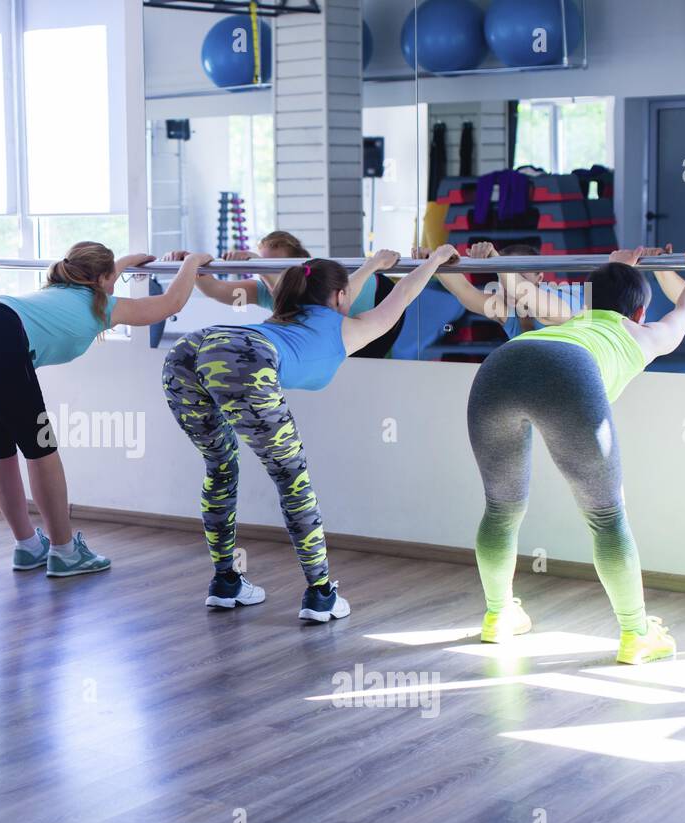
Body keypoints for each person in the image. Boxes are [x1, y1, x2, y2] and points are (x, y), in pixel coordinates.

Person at [161, 246, 458, 621]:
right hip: (245, 354)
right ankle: (320, 595)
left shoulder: (286, 316)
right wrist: (435, 259)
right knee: (291, 480)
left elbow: (335, 293)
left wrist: (369, 266)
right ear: (339, 297)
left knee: (220, 467)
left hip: (189, 350)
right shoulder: (349, 329)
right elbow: (404, 293)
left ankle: (225, 582)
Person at [468, 246, 685, 665]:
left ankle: (498, 615)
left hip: (500, 366)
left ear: (589, 300)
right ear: (639, 313)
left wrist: (619, 268)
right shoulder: (643, 334)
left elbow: (610, 298)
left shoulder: (573, 319)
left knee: (501, 507)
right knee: (606, 518)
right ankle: (636, 634)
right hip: (570, 370)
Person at [0, 242, 212, 577]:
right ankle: (64, 551)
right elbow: (169, 304)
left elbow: (100, 279)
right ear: (102, 278)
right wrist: (193, 262)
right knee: (40, 446)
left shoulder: (59, 292)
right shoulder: (105, 307)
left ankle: (29, 547)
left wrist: (127, 261)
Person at [171, 230, 391, 320]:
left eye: (276, 266)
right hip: (363, 323)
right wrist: (191, 263)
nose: (270, 272)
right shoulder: (262, 291)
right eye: (266, 264)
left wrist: (258, 264)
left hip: (381, 294)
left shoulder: (316, 277)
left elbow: (292, 300)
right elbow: (215, 290)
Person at [415, 241, 580, 337]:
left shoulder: (558, 306)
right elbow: (464, 290)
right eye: (504, 276)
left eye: (520, 274)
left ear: (540, 279)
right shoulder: (506, 309)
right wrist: (433, 260)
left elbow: (520, 290)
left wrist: (496, 260)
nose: (509, 281)